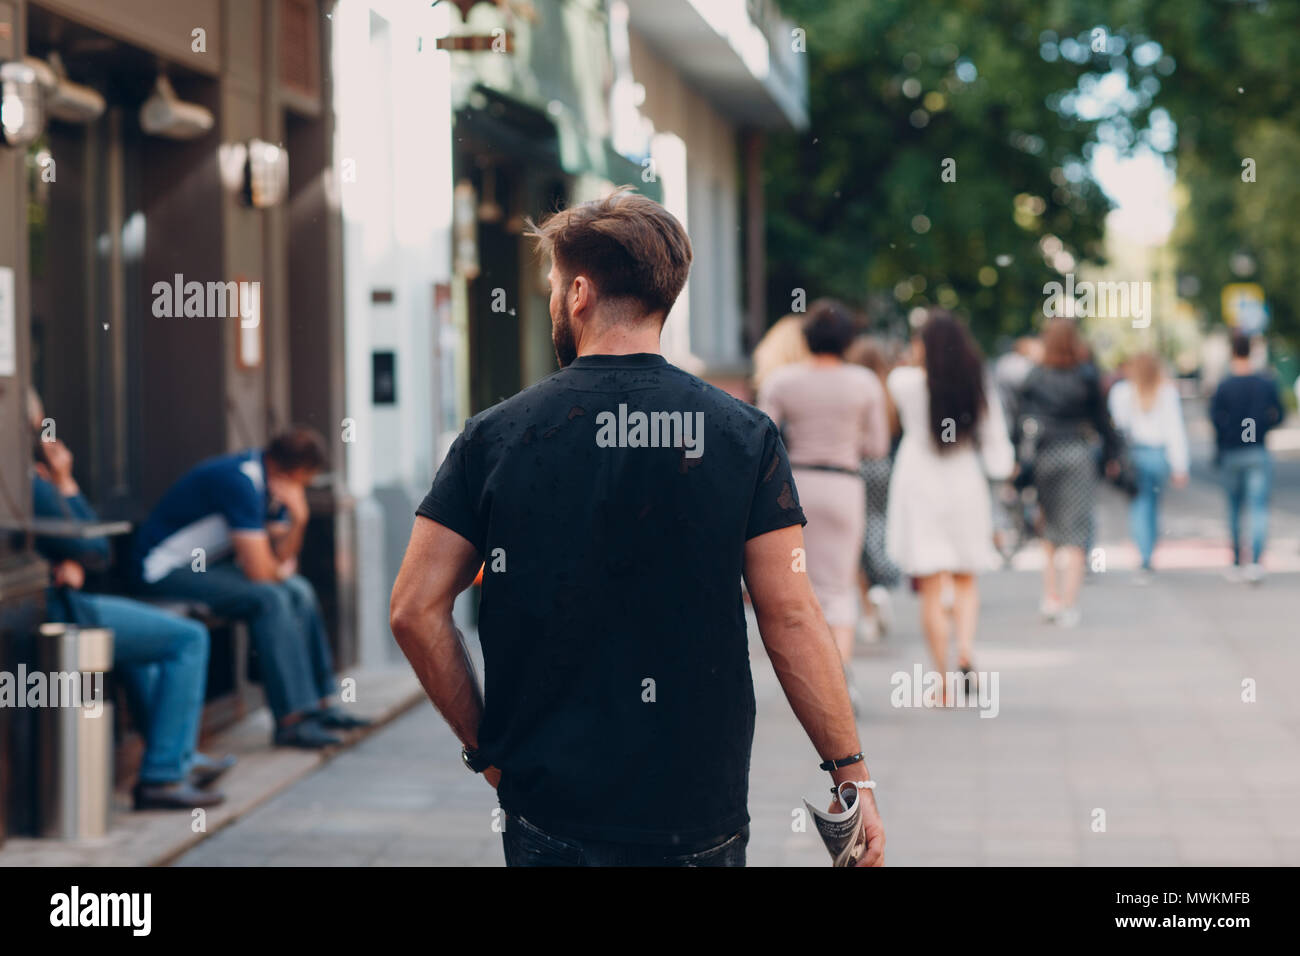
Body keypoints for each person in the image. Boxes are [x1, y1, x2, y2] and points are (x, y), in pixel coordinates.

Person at [390, 188, 885, 867]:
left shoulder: (495, 436)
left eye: (555, 285)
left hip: (547, 807)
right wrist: (851, 776)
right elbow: (793, 616)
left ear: (580, 293)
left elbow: (413, 609)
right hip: (696, 808)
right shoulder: (741, 436)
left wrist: (489, 751)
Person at [28, 391, 233, 810]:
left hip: (53, 606)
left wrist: (69, 558)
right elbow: (98, 551)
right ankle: (163, 774)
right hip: (62, 612)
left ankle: (175, 758)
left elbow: (86, 553)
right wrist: (66, 482)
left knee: (145, 647)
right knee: (188, 638)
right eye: (40, 425)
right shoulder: (30, 480)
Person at [131, 427, 371, 748]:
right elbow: (263, 573)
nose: (305, 488)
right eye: (306, 480)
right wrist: (290, 536)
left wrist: (297, 520)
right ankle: (291, 719)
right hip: (160, 569)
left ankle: (320, 703)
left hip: (204, 566)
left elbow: (285, 564)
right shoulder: (240, 481)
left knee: (298, 589)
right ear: (294, 473)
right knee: (269, 597)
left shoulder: (268, 484)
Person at [757, 302, 890, 710]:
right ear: (848, 340)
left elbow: (762, 435)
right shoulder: (864, 383)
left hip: (796, 485)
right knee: (839, 585)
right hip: (843, 484)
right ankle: (840, 675)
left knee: (801, 583)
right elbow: (877, 446)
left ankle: (808, 675)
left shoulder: (783, 381)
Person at [885, 310, 1014, 700]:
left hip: (920, 483)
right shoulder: (976, 384)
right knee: (964, 577)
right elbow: (996, 443)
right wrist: (1002, 472)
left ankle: (942, 683)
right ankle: (965, 652)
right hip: (964, 482)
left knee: (931, 584)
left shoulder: (903, 382)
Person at [1015, 318, 1121, 627]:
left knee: (1049, 529)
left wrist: (1017, 458)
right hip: (1077, 453)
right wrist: (1113, 456)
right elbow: (1104, 420)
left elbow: (1019, 421)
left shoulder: (1035, 376)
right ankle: (1069, 604)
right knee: (1075, 532)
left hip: (1044, 454)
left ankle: (1050, 596)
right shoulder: (1086, 376)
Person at [1107, 352, 1189, 582]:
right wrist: (1179, 465)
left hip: (1135, 455)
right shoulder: (1166, 392)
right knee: (1152, 505)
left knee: (1139, 506)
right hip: (1157, 455)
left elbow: (1117, 428)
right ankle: (1149, 551)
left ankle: (1144, 556)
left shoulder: (1122, 392)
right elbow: (1175, 429)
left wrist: (1113, 459)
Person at [1210, 331, 1284, 583]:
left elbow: (1215, 420)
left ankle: (1235, 560)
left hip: (1232, 451)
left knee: (1234, 507)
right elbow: (1279, 413)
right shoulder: (1265, 383)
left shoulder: (1225, 385)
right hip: (1256, 449)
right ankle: (1255, 562)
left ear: (1232, 352)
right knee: (1258, 506)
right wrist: (1261, 428)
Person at [845, 335, 902, 641]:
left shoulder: (849, 389)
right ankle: (881, 584)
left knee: (854, 538)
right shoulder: (889, 392)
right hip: (884, 467)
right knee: (879, 526)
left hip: (852, 467)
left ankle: (868, 607)